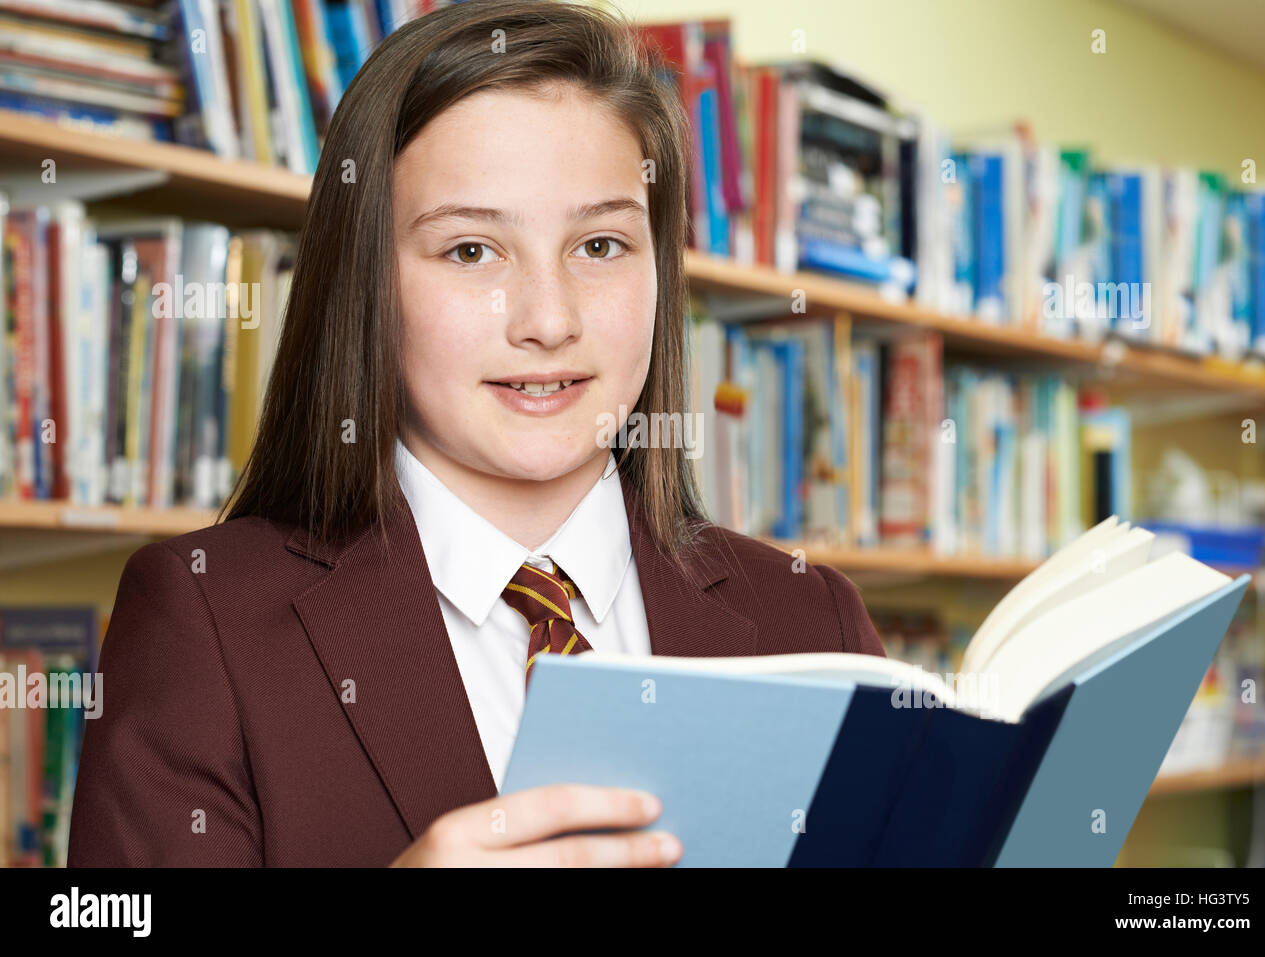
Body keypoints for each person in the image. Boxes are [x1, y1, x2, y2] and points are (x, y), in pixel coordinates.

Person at [68, 0, 884, 868]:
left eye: (601, 245)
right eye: (471, 251)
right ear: (369, 284)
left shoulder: (815, 621)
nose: (547, 319)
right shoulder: (206, 622)